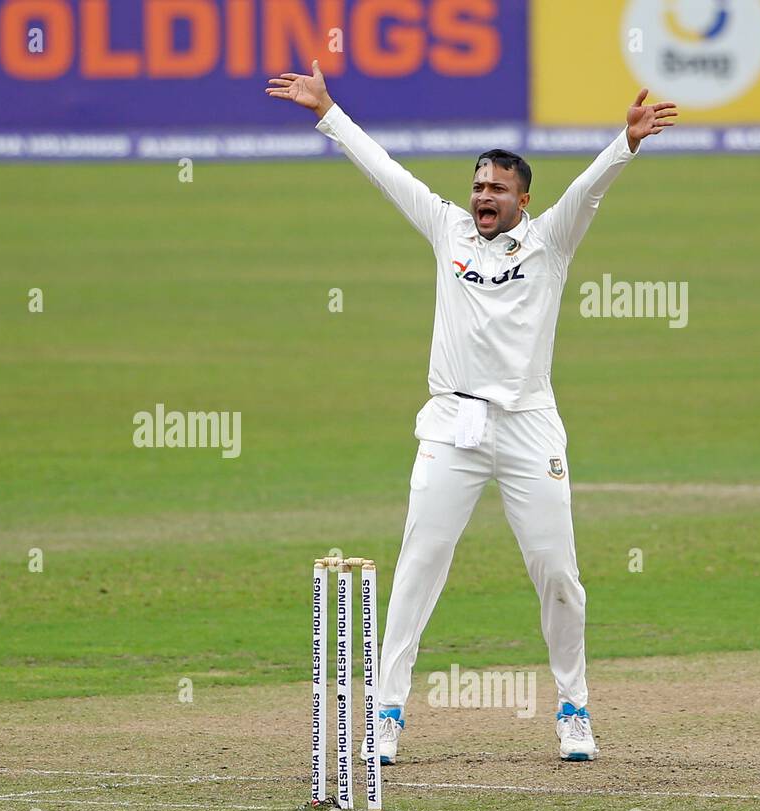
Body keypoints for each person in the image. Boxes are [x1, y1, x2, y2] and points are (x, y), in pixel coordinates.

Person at [267, 62, 677, 762]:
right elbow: (386, 171)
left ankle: (573, 708)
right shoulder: (447, 231)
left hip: (527, 425)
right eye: (478, 185)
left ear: (522, 200)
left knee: (557, 574)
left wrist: (625, 144)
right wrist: (327, 112)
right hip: (452, 427)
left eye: (497, 189)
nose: (483, 196)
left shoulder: (550, 240)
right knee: (419, 565)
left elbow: (587, 192)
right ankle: (388, 713)